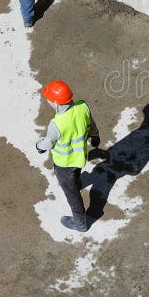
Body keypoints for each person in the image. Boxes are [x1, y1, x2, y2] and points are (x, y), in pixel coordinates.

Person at [35, 80, 100, 232]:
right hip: (79, 157)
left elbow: (48, 143)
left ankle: (80, 223)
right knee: (75, 175)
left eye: (49, 100)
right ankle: (76, 183)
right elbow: (91, 124)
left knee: (71, 193)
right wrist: (95, 136)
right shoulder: (82, 107)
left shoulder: (57, 124)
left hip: (64, 164)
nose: (48, 101)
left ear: (56, 104)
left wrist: (39, 146)